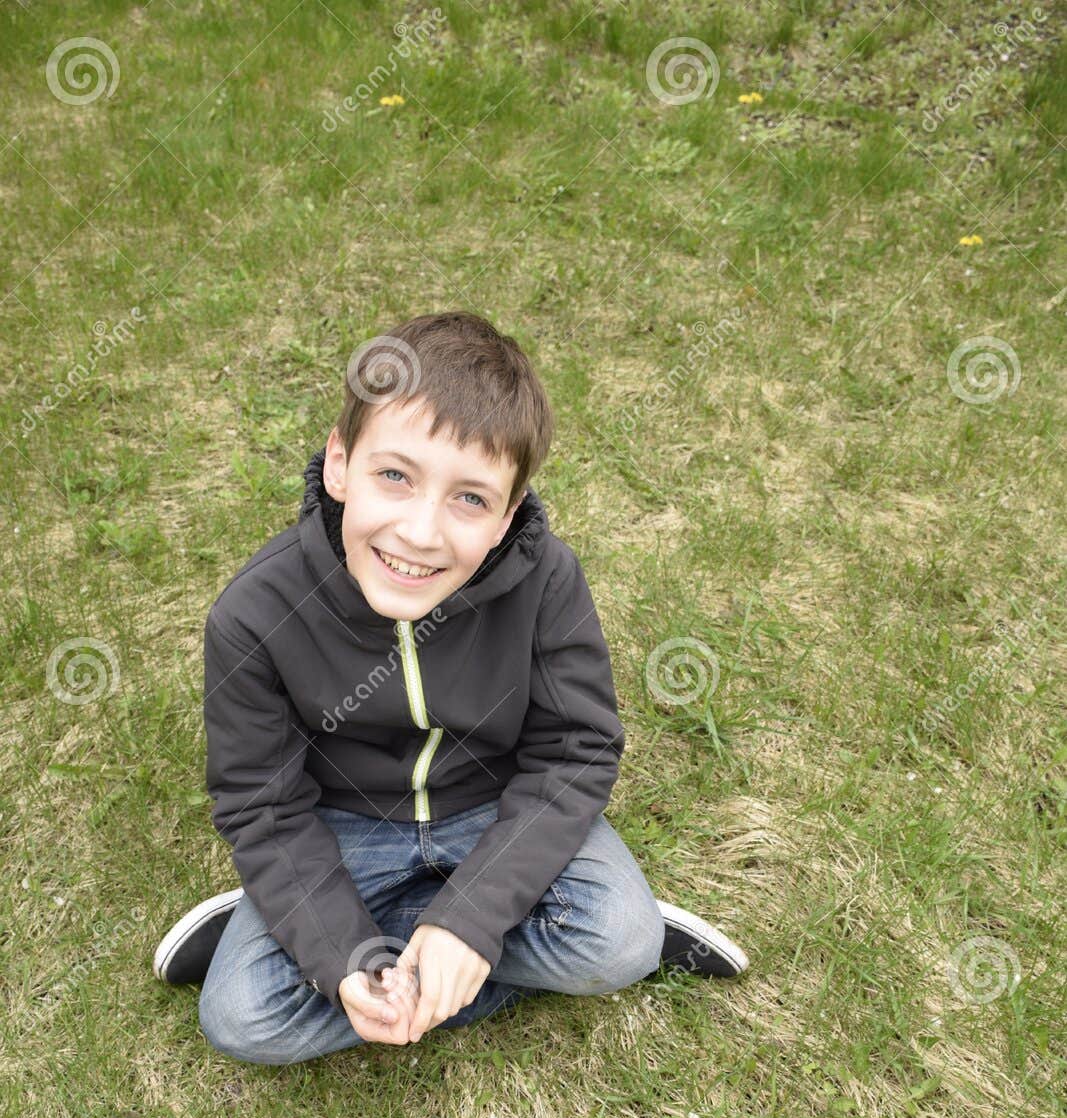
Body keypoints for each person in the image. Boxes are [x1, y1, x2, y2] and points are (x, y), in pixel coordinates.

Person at [153, 310, 747, 1065]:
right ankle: (324, 930)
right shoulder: (255, 614)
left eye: (469, 498)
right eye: (394, 476)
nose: (421, 533)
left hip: (494, 816)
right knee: (243, 1020)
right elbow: (262, 805)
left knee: (624, 942)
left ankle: (338, 937)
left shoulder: (546, 579)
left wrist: (470, 918)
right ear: (339, 462)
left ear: (506, 515)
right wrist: (341, 955)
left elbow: (576, 751)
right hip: (344, 831)